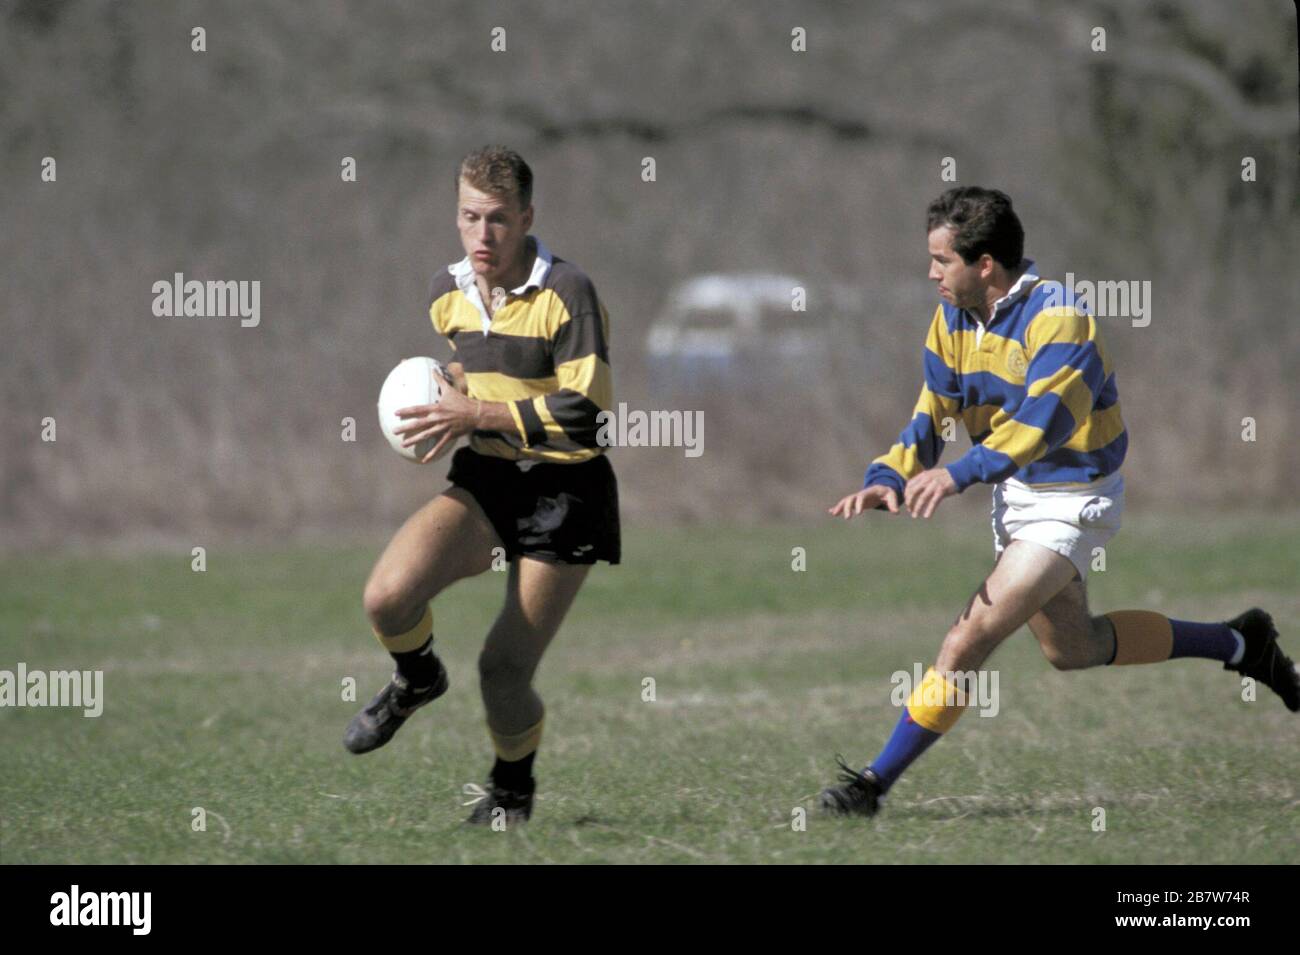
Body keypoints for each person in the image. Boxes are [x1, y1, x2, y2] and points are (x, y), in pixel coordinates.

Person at [820, 186, 1297, 817]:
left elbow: (1036, 427)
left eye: (942, 259)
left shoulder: (1062, 320)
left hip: (1075, 499)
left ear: (984, 263)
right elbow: (932, 416)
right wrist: (890, 473)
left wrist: (958, 476)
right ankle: (1242, 644)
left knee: (968, 639)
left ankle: (869, 788)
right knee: (1073, 650)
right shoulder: (951, 321)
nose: (930, 272)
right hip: (1018, 495)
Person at [344, 146, 619, 828]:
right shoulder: (446, 293)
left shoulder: (568, 293)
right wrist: (447, 390)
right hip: (489, 478)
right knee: (386, 596)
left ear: (527, 217)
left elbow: (587, 413)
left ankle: (512, 789)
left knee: (502, 670)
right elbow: (480, 369)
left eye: (499, 219)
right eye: (470, 217)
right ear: (456, 217)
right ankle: (416, 677)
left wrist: (475, 413)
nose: (484, 235)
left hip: (567, 493)